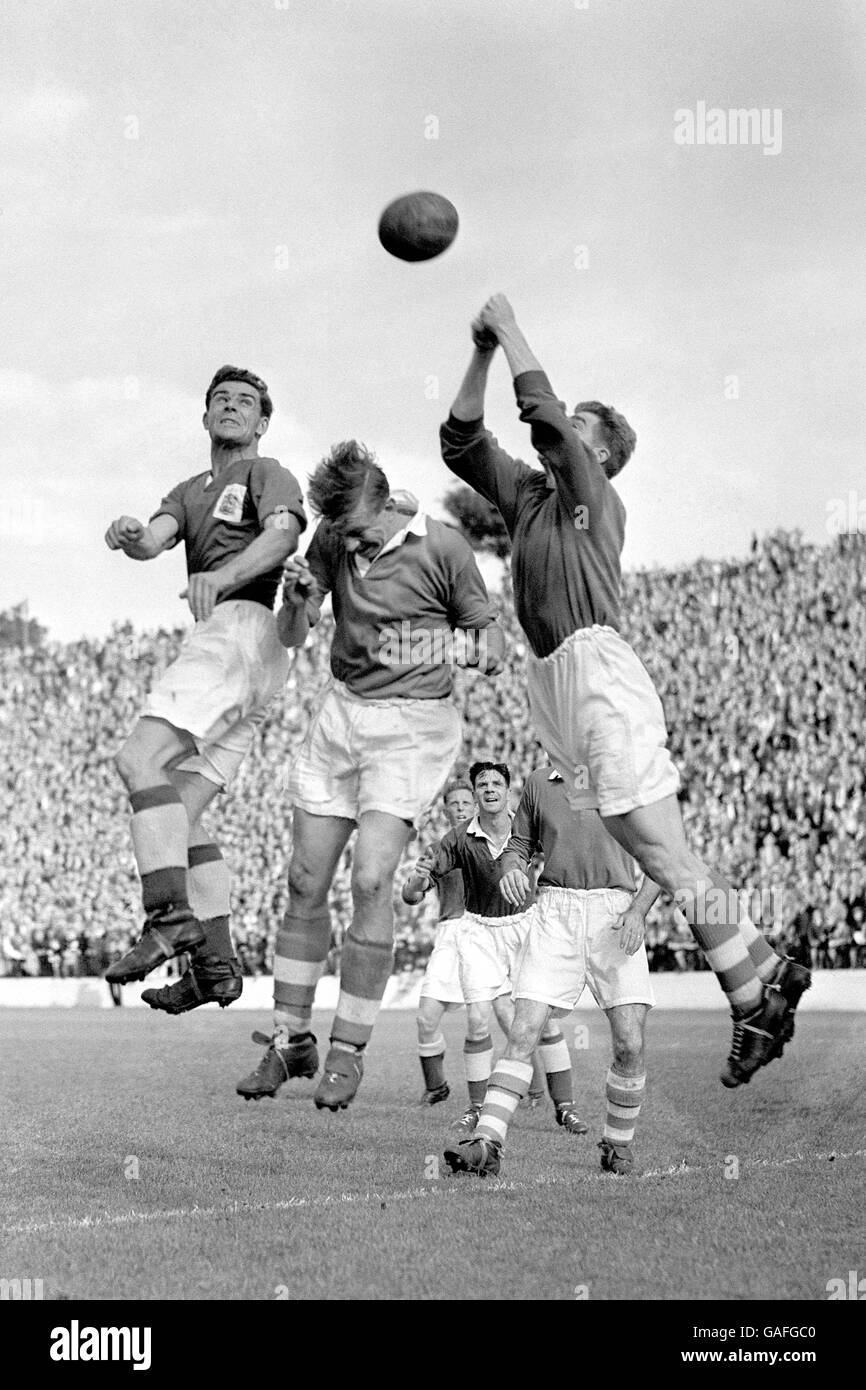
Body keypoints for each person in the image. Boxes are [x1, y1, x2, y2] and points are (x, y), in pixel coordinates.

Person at [440, 297, 810, 1087]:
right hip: (558, 687)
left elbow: (543, 420)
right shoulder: (531, 498)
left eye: (580, 430)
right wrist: (478, 355)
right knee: (656, 848)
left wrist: (509, 333)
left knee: (665, 857)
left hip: (596, 675)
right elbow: (461, 442)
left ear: (600, 454)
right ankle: (774, 970)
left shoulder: (591, 495)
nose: (564, 433)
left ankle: (755, 1001)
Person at [235, 442, 505, 1112]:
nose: (350, 542)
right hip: (343, 716)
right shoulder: (332, 537)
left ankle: (347, 1053)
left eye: (358, 528)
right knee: (304, 880)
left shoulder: (442, 548)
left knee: (372, 877)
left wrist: (456, 649)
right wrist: (296, 602)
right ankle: (290, 1040)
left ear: (385, 501)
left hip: (412, 727)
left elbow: (490, 640)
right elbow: (296, 636)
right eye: (340, 531)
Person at [103, 367, 305, 1012]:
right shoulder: (190, 490)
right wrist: (132, 534)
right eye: (220, 400)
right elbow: (154, 541)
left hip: (242, 626)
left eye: (245, 402)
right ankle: (215, 967)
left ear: (262, 422)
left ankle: (167, 917)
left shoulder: (267, 471)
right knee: (178, 815)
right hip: (247, 654)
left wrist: (222, 576)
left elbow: (283, 534)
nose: (230, 407)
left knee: (137, 761)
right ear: (205, 417)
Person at [445, 766, 658, 1179]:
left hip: (614, 912)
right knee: (524, 1030)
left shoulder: (625, 777)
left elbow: (662, 856)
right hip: (555, 910)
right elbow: (519, 844)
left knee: (630, 1042)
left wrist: (638, 910)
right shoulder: (541, 783)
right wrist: (510, 867)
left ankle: (617, 1146)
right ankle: (487, 1145)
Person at [406, 760, 588, 1138]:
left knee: (545, 1020)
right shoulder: (457, 838)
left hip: (525, 928)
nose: (489, 789)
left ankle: (565, 1107)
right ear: (475, 793)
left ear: (508, 791)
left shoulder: (528, 830)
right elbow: (412, 893)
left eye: (496, 783)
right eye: (482, 784)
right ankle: (476, 1109)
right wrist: (417, 879)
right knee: (476, 1023)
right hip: (478, 933)